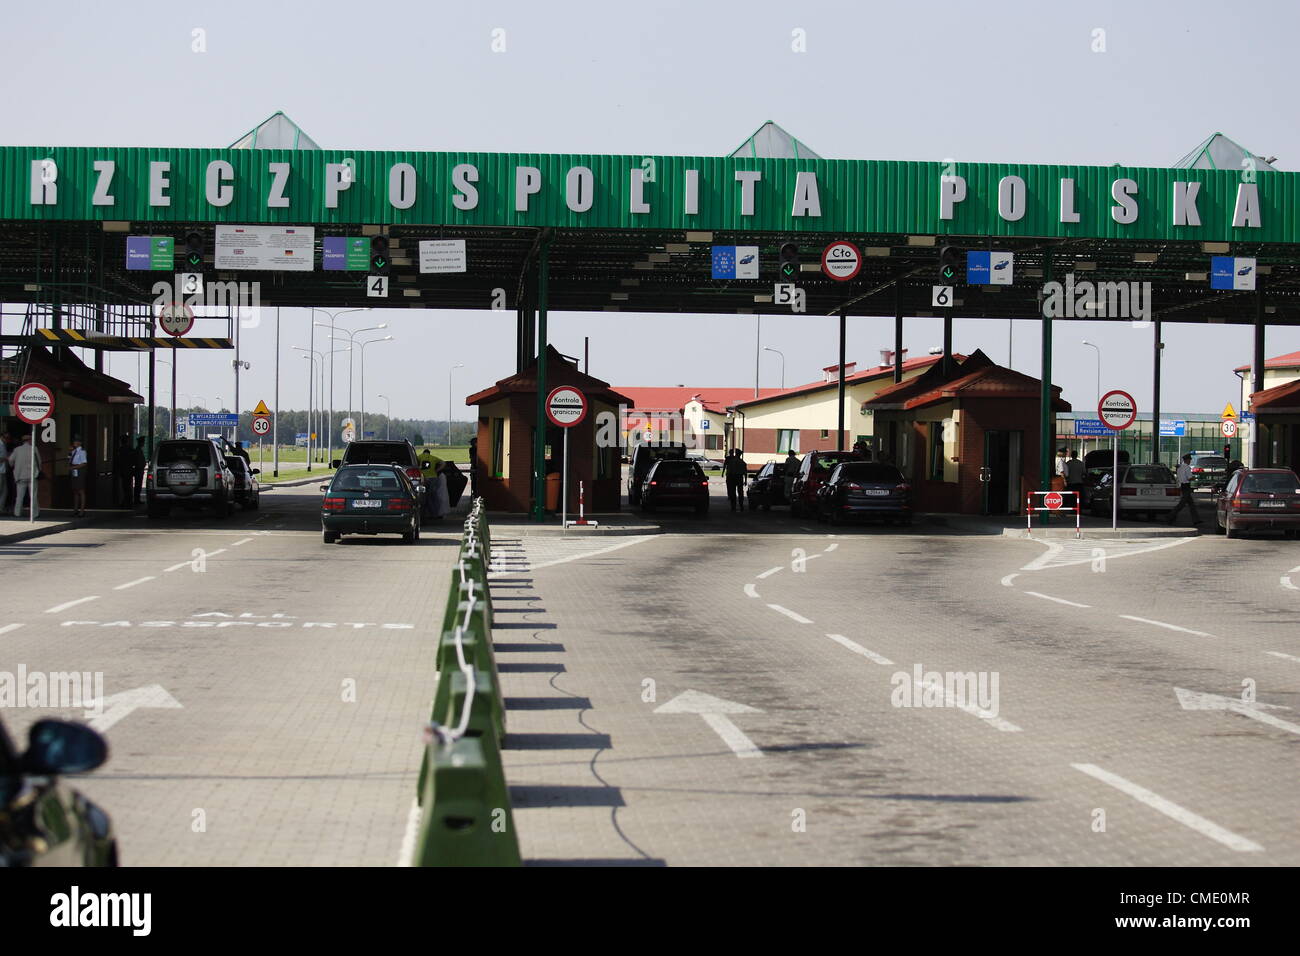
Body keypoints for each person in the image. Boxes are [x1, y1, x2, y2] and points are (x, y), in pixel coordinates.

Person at [12, 433, 40, 519]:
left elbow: (10, 461)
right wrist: (38, 472)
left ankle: (17, 513)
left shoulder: (17, 450)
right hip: (32, 476)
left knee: (19, 496)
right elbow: (39, 461)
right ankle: (35, 513)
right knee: (33, 496)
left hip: (20, 476)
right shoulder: (34, 449)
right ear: (29, 440)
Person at [1169, 453, 1202, 525]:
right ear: (1187, 460)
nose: (1190, 461)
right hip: (1186, 486)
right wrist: (1195, 477)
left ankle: (1196, 519)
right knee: (1181, 504)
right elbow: (1189, 478)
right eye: (1189, 460)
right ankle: (1170, 516)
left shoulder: (1180, 467)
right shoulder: (1187, 467)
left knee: (1191, 504)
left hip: (1181, 485)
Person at [69, 437, 88, 517]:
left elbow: (84, 463)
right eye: (74, 441)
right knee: (75, 490)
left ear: (80, 443)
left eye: (77, 441)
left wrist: (74, 467)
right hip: (74, 471)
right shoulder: (73, 451)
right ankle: (75, 509)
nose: (75, 443)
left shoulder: (82, 452)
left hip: (79, 470)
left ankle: (82, 510)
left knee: (81, 490)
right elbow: (69, 459)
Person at [113, 434, 133, 508]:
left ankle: (126, 502)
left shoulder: (120, 449)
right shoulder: (129, 449)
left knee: (125, 487)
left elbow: (118, 461)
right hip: (128, 470)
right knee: (128, 487)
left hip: (123, 471)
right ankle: (128, 502)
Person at [132, 437, 148, 507]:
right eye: (143, 442)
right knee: (138, 485)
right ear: (141, 442)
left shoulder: (138, 450)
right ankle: (136, 499)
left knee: (138, 485)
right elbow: (138, 461)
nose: (143, 443)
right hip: (138, 470)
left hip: (139, 470)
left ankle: (137, 499)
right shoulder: (138, 450)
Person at [0, 429, 11, 516]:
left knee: (4, 491)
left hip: (3, 471)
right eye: (6, 437)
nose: (7, 439)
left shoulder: (3, 445)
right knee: (2, 490)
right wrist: (6, 459)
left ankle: (1, 508)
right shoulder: (0, 445)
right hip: (0, 471)